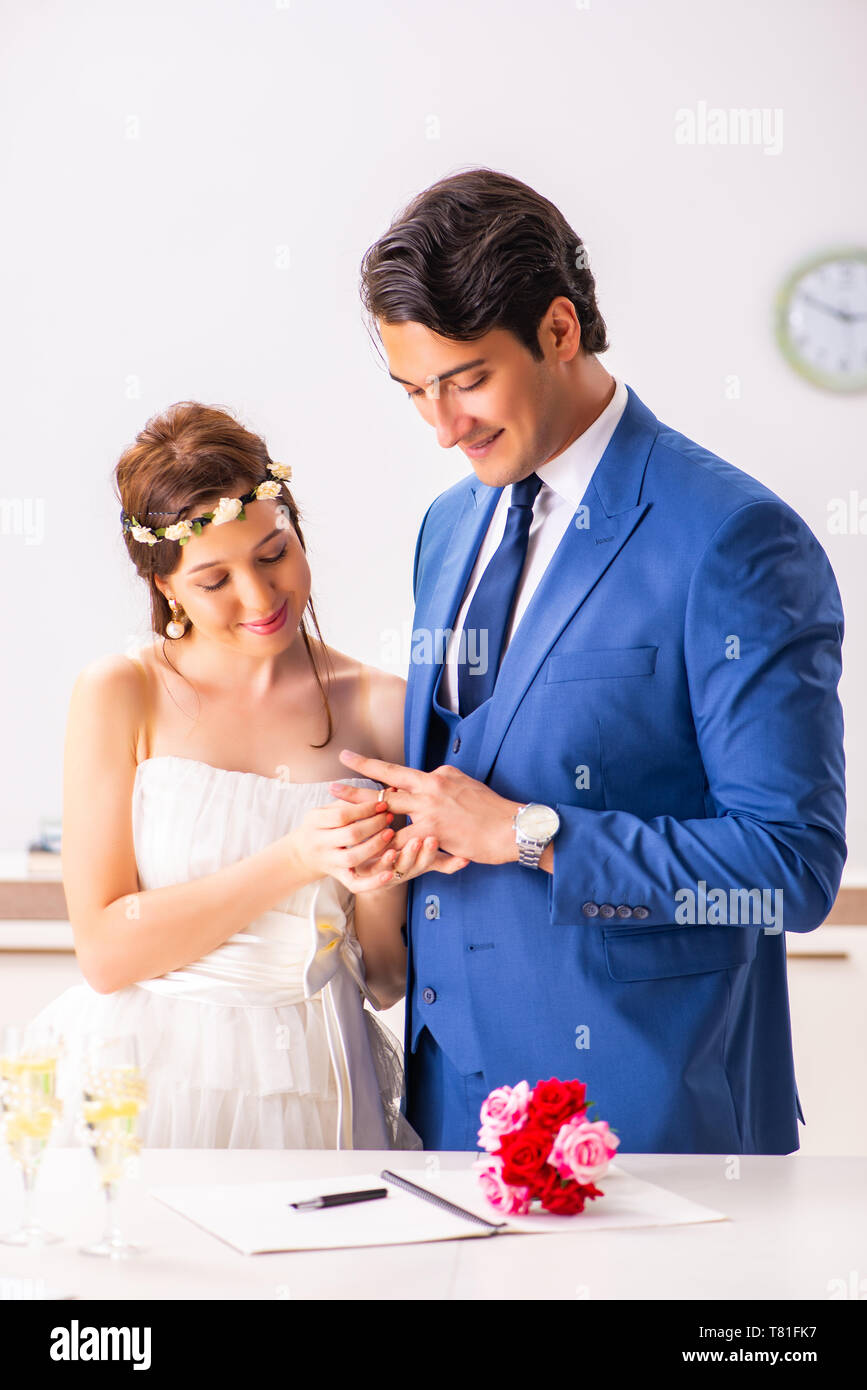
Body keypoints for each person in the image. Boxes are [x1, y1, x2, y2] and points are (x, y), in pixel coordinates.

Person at [327, 167, 848, 1154]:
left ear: (560, 330)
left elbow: (790, 869)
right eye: (415, 392)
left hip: (644, 1121)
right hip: (444, 1117)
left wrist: (530, 831)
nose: (442, 428)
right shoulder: (449, 525)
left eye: (467, 379)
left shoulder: (734, 539)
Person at [27, 401, 467, 1149]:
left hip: (319, 1082)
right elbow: (106, 953)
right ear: (164, 585)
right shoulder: (120, 693)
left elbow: (388, 982)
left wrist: (376, 881)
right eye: (214, 579)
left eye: (273, 554)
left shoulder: (384, 707)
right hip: (147, 1080)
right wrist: (295, 859)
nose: (261, 598)